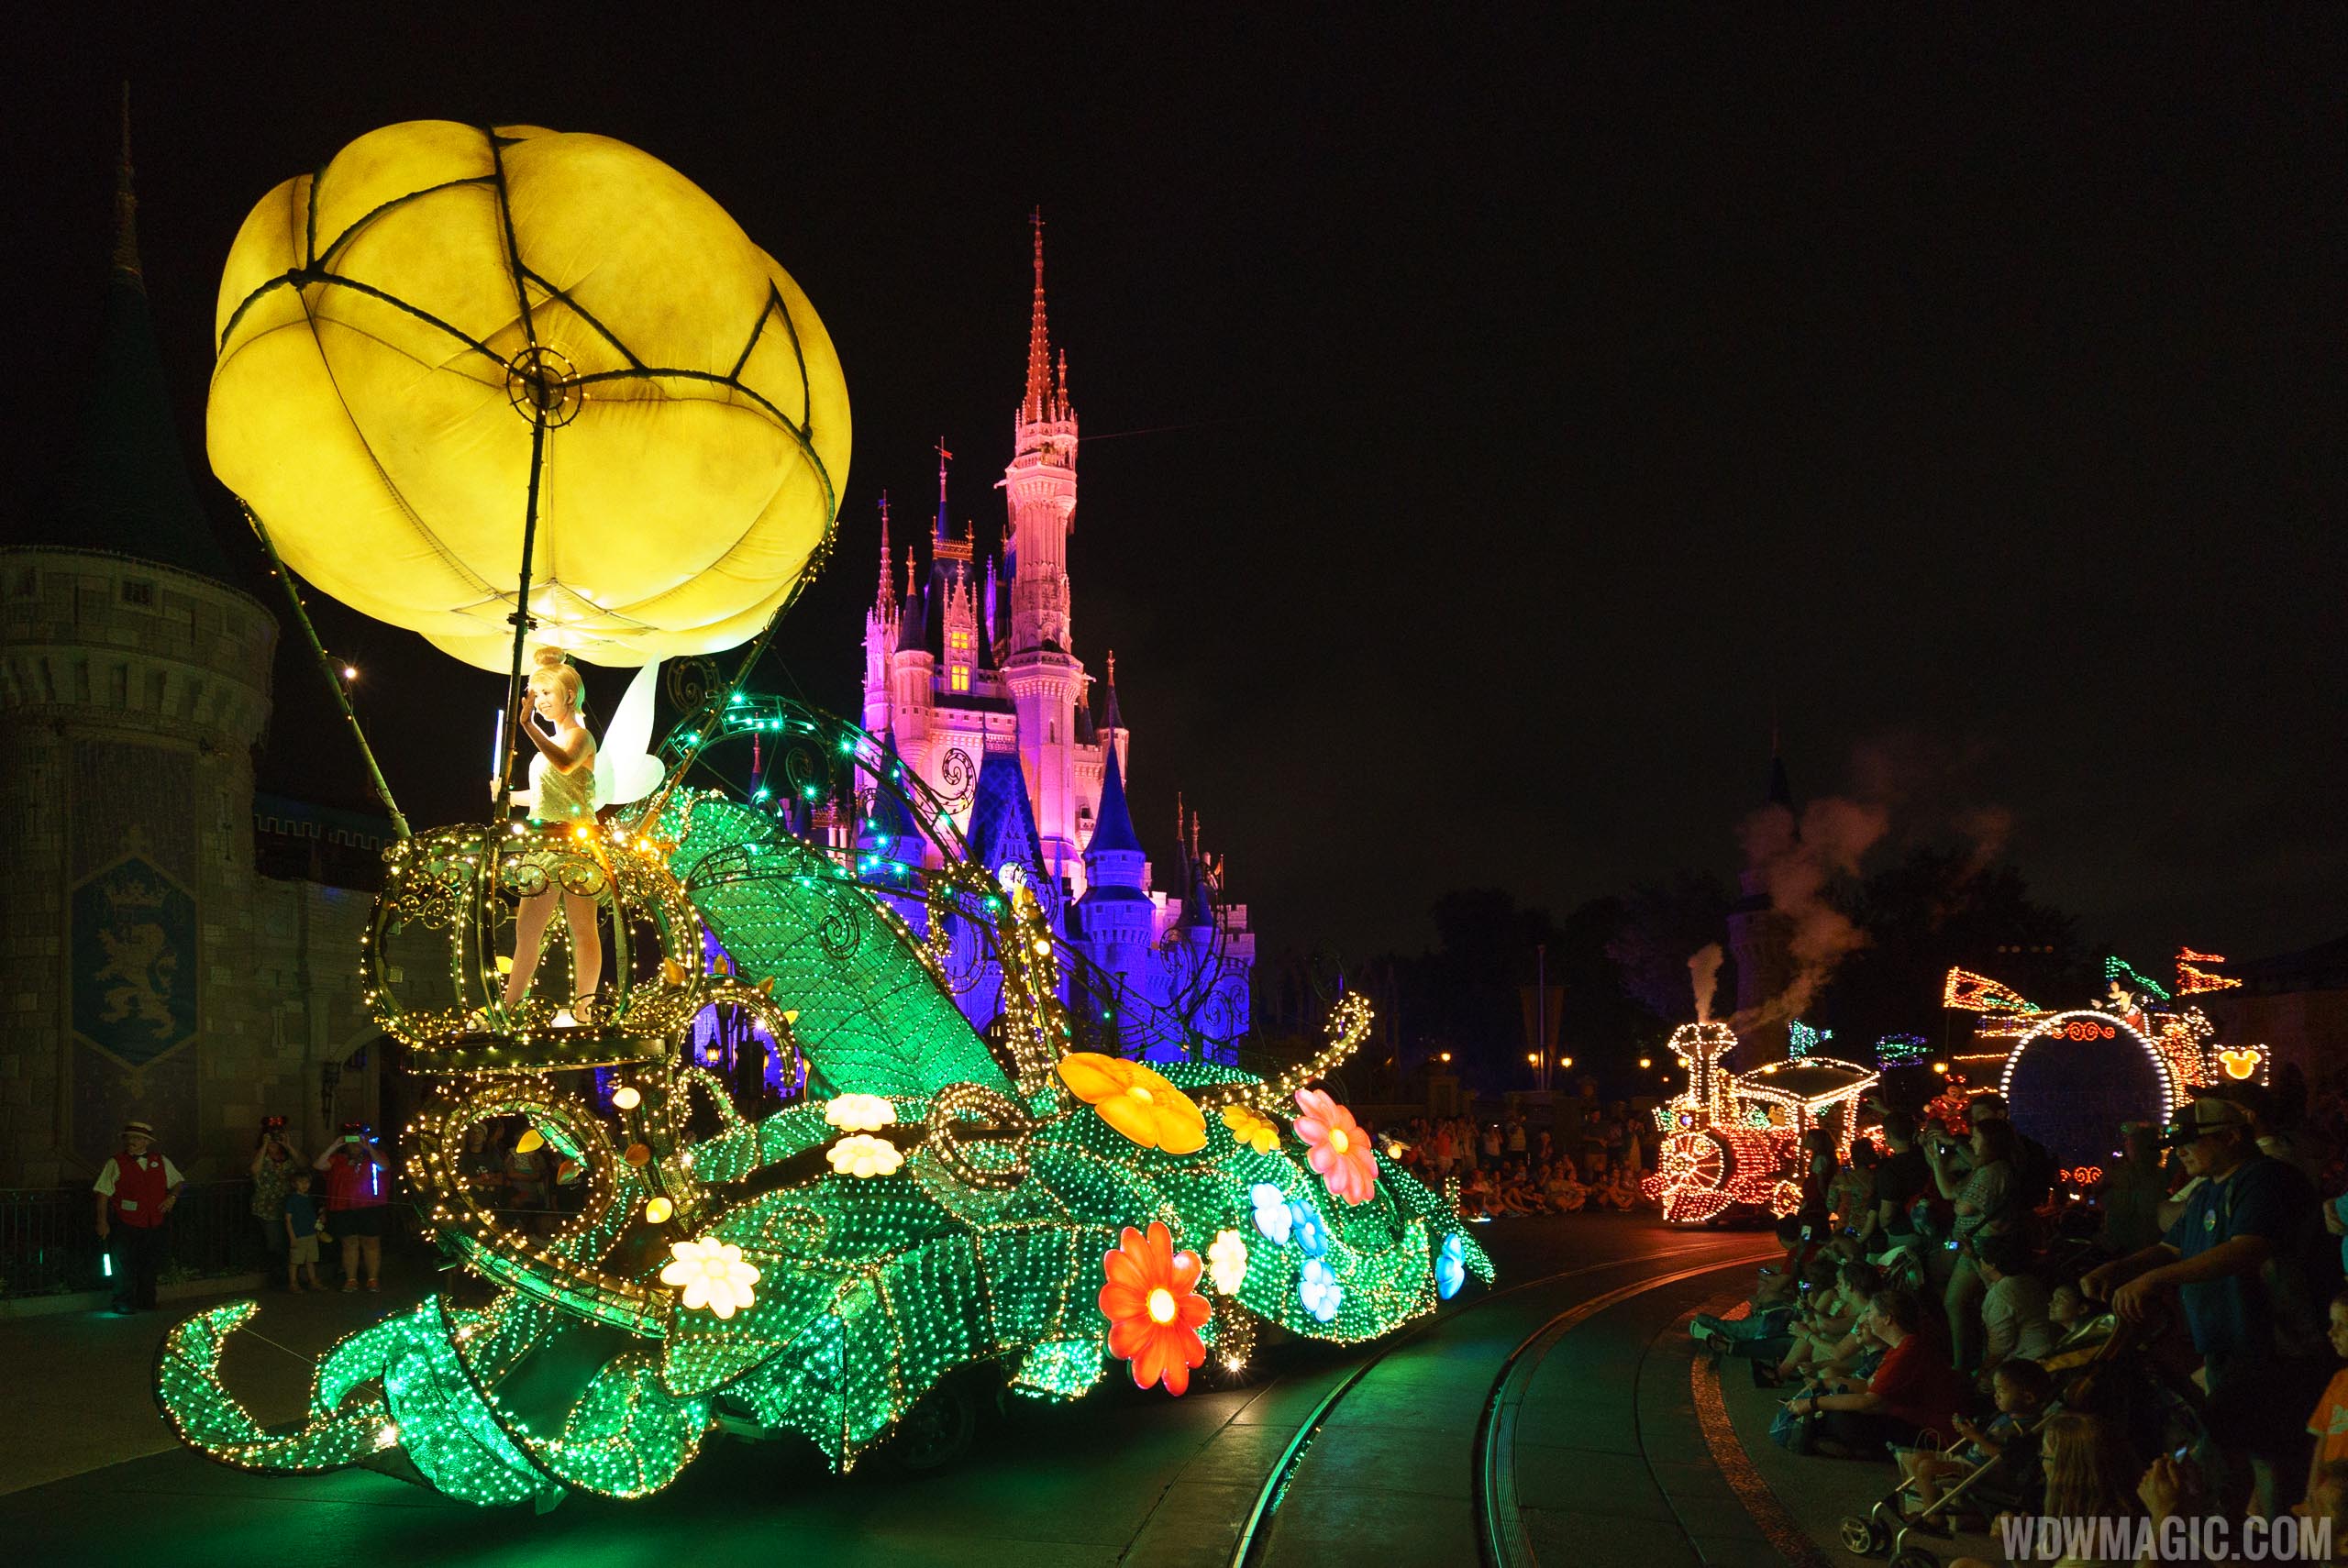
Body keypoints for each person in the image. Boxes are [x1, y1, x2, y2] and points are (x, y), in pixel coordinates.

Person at [2082, 1090, 2328, 1518]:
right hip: (2227, 1345)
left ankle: (2262, 1548)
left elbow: (2248, 1247)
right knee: (2244, 1451)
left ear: (2231, 1137)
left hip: (2271, 1345)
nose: (2180, 1153)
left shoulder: (2265, 1178)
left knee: (2262, 1453)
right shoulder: (2208, 1192)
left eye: (2191, 1142)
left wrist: (2152, 1279)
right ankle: (2243, 1539)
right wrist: (2119, 1268)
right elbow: (2172, 1248)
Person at [498, 646, 604, 1023]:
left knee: (582, 928)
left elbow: (564, 765)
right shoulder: (547, 745)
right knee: (527, 930)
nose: (540, 700)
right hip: (543, 843)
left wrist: (527, 726)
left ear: (569, 696)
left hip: (575, 844)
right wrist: (507, 796)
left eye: (546, 693)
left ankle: (584, 1008)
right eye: (536, 693)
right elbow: (545, 795)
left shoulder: (581, 737)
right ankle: (511, 1007)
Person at [1784, 1286, 1970, 1457]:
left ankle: (1869, 1452)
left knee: (1842, 1420)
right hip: (1916, 1419)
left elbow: (1868, 1400)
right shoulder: (1902, 1346)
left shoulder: (1907, 1350)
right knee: (1839, 1409)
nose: (1865, 1318)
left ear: (1887, 1318)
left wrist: (1813, 1403)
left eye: (1870, 1312)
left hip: (1933, 1432)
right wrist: (1825, 1383)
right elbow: (1871, 1385)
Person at [1898, 1356, 2055, 1520]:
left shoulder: (2026, 1429)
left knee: (1926, 1467)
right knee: (1918, 1457)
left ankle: (1934, 1518)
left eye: (2002, 1391)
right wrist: (1969, 1430)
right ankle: (1929, 1507)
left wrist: (1976, 1437)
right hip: (1971, 1462)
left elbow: (2008, 1460)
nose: (1996, 1396)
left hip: (1986, 1472)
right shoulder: (2006, 1415)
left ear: (2028, 1398)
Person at [1928, 1115, 2020, 1371]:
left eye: (1976, 1138)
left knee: (1955, 1301)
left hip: (1980, 1245)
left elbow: (1958, 1202)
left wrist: (1937, 1163)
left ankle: (1963, 1364)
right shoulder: (1991, 1168)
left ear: (1989, 1142)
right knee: (1972, 1298)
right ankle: (1969, 1357)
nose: (1971, 1142)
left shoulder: (1992, 1172)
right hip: (1973, 1244)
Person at [92, 1119, 182, 1314]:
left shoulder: (160, 1161)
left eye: (137, 1138)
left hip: (154, 1221)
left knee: (150, 1263)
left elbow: (178, 1181)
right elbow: (103, 1193)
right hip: (126, 1222)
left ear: (146, 1142)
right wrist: (102, 1221)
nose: (131, 1141)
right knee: (124, 1264)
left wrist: (172, 1197)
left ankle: (146, 1299)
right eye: (129, 1137)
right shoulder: (115, 1163)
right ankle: (123, 1300)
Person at [316, 1122, 390, 1292]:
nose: (354, 1144)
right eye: (351, 1140)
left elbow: (384, 1166)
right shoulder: (338, 1159)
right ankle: (351, 1279)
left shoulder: (375, 1156)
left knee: (371, 1243)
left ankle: (372, 1279)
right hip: (344, 1207)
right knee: (349, 1243)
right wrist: (335, 1145)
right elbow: (319, 1165)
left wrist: (369, 1147)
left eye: (357, 1139)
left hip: (370, 1207)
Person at [1976, 1232, 2058, 1373]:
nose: (1979, 1260)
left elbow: (1999, 1347)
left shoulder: (1999, 1297)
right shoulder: (2026, 1279)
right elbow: (1993, 1283)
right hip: (2051, 1346)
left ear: (1992, 1265)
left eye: (1981, 1258)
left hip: (2030, 1363)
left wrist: (1982, 1372)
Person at [2303, 1290, 2348, 1515]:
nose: (2332, 1333)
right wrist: (2312, 1493)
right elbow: (2322, 1439)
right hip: (2332, 1494)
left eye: (2343, 1325)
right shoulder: (2338, 1382)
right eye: (2332, 1324)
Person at [2094, 1121, 2166, 1258]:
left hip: (2121, 1246)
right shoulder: (2163, 1176)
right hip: (2152, 1245)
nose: (2126, 1144)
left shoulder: (2117, 1173)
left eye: (2129, 1141)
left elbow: (2096, 1200)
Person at [249, 1116, 303, 1280]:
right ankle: (278, 1275)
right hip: (267, 1209)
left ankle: (291, 1275)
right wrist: (265, 1145)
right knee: (274, 1243)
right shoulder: (262, 1157)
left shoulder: (289, 1159)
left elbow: (304, 1164)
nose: (275, 1143)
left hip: (288, 1208)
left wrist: (288, 1145)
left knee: (290, 1242)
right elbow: (254, 1170)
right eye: (272, 1139)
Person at [282, 1168, 324, 1292]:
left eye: (307, 1182)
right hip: (299, 1235)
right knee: (295, 1260)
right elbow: (288, 1220)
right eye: (301, 1182)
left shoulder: (309, 1198)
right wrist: (292, 1237)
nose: (305, 1185)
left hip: (310, 1233)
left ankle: (313, 1280)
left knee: (311, 1259)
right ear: (294, 1184)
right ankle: (293, 1283)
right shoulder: (292, 1199)